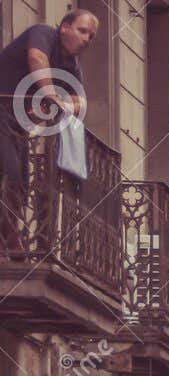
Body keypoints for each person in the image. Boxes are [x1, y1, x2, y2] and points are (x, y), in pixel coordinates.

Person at [0, 11, 96, 220]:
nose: (86, 40)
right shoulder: (43, 33)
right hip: (2, 113)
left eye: (91, 36)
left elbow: (80, 102)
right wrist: (51, 96)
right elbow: (36, 57)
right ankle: (10, 241)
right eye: (82, 31)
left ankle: (9, 241)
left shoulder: (72, 66)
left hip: (17, 126)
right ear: (64, 27)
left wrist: (49, 107)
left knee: (22, 182)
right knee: (11, 174)